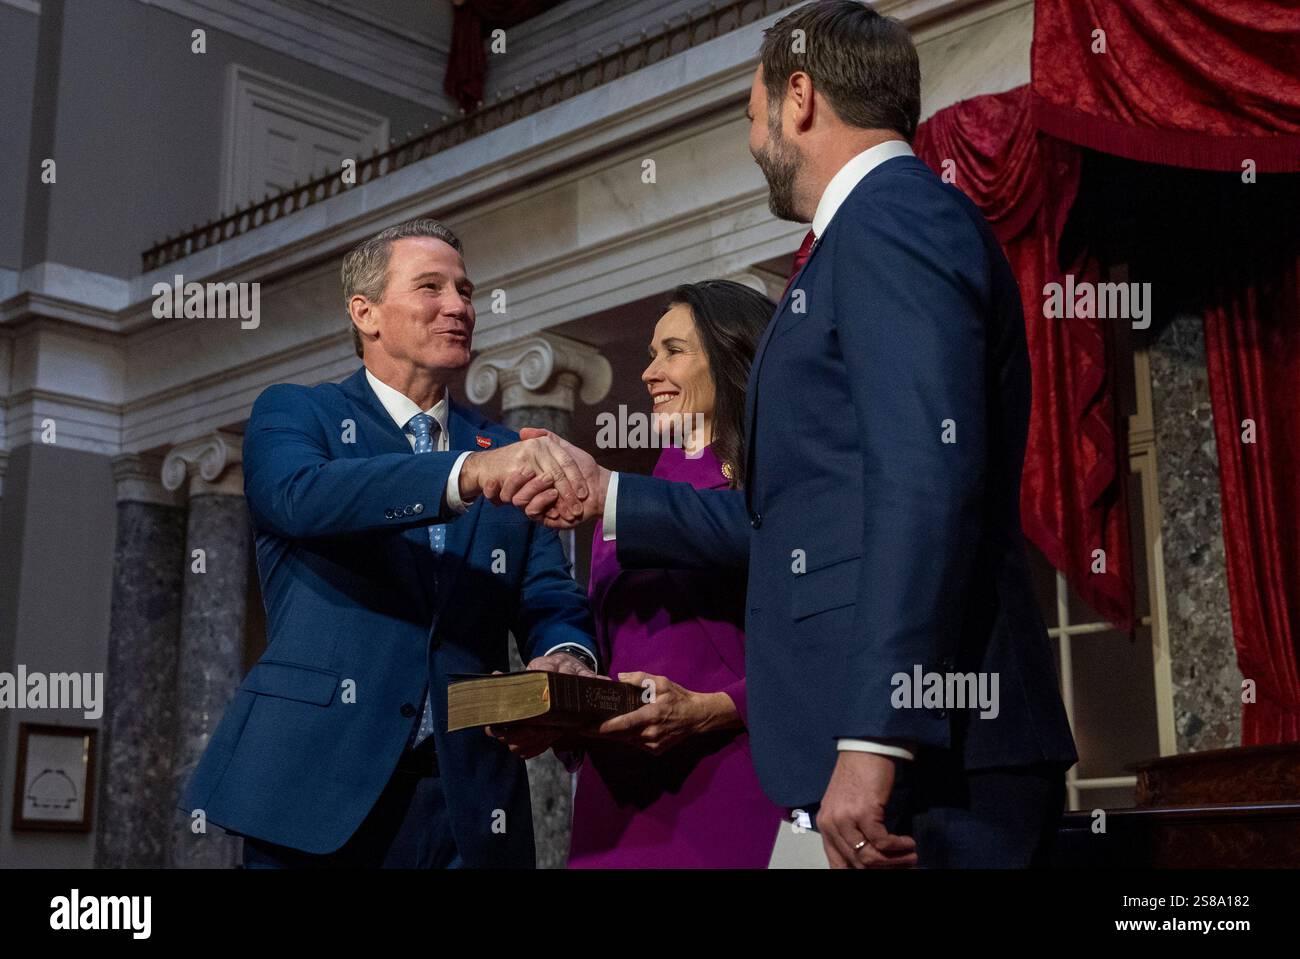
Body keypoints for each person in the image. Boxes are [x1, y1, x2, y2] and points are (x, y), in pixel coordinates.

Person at [493, 2, 1078, 868]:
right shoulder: (866, 233)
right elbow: (809, 515)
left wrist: (875, 737)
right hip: (894, 756)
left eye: (749, 111)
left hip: (929, 759)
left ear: (798, 97)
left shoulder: (889, 220)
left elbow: (924, 484)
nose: (753, 137)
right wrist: (609, 493)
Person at [177, 218, 600, 869]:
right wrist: (460, 474)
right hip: (318, 792)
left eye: (465, 289)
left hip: (468, 795)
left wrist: (564, 653)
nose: (459, 305)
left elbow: (546, 588)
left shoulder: (501, 448)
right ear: (365, 312)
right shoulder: (297, 413)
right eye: (431, 287)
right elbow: (302, 496)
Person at [563, 281, 786, 868]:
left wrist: (713, 708)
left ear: (735, 354)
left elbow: (823, 648)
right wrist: (566, 691)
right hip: (615, 809)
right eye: (650, 352)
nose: (648, 372)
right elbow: (610, 642)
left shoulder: (782, 493)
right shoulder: (625, 501)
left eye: (673, 350)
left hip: (736, 786)